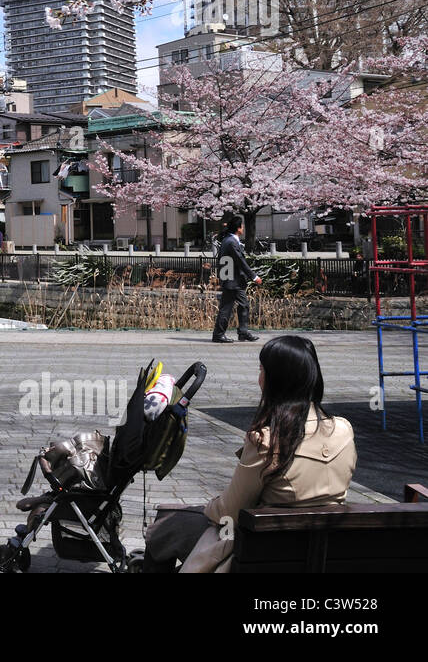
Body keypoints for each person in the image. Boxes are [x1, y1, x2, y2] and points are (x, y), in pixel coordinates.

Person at [143, 335, 356, 573]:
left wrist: (207, 507)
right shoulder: (344, 430)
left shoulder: (267, 440)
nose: (259, 379)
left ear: (276, 381)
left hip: (263, 549)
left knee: (164, 526)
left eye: (261, 370)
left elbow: (229, 512)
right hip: (323, 549)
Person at [211, 215, 262, 343]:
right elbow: (240, 261)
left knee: (243, 305)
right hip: (231, 280)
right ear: (238, 228)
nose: (243, 228)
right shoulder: (231, 242)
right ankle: (218, 335)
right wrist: (254, 276)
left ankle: (243, 332)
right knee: (226, 308)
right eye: (242, 226)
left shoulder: (230, 240)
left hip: (232, 279)